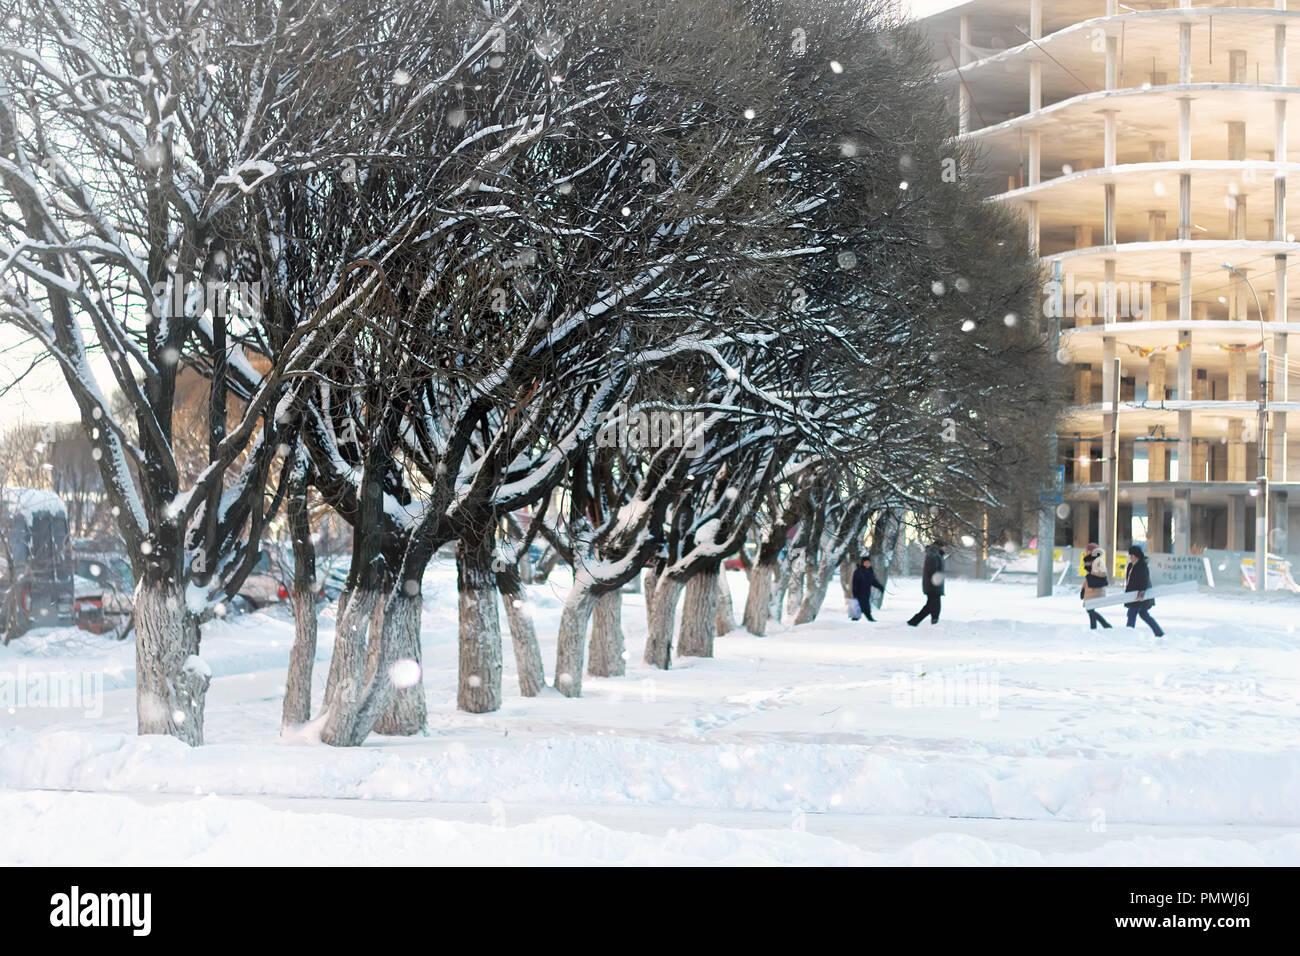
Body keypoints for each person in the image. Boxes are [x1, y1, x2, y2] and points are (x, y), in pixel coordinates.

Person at [1124, 544, 1164, 637]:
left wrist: (1141, 593)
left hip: (1141, 596)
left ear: (1136, 556)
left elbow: (1144, 580)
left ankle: (1129, 634)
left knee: (1132, 613)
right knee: (1143, 614)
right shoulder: (1131, 566)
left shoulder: (1142, 566)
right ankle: (1159, 633)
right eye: (1130, 555)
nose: (1130, 557)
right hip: (1133, 595)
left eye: (1132, 555)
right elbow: (1129, 580)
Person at [907, 541, 945, 626]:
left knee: (932, 605)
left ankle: (932, 622)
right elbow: (933, 571)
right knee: (932, 605)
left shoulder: (936, 555)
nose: (944, 548)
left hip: (935, 585)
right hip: (933, 586)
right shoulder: (933, 556)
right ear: (939, 547)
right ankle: (916, 622)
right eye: (943, 546)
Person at [1080, 543, 1112, 630]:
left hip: (1095, 590)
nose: (1086, 552)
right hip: (1090, 589)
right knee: (1090, 609)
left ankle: (1097, 627)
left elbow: (1103, 573)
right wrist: (1083, 588)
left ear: (1092, 551)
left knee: (1090, 609)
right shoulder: (1090, 560)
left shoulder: (1098, 560)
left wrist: (1092, 571)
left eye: (1087, 550)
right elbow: (1087, 577)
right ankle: (1103, 625)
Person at [851, 555, 886, 622]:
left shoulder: (870, 571)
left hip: (866, 592)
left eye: (868, 562)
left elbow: (873, 581)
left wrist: (880, 587)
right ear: (862, 563)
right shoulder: (858, 572)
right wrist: (854, 593)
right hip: (859, 592)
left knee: (865, 605)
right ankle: (860, 619)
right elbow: (854, 583)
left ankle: (860, 618)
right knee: (860, 606)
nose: (867, 564)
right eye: (865, 562)